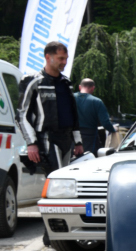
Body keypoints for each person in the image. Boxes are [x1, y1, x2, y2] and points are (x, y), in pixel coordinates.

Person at [18, 41, 83, 172]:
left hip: (67, 139)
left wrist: (78, 142)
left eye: (66, 59)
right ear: (48, 57)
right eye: (61, 58)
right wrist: (31, 143)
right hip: (47, 138)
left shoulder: (66, 82)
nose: (64, 62)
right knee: (57, 177)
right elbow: (21, 115)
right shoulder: (33, 81)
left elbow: (73, 114)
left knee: (65, 179)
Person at [74, 78, 116, 156]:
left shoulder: (70, 98)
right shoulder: (96, 102)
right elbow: (105, 122)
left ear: (80, 87)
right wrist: (113, 130)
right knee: (88, 158)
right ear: (93, 88)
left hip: (72, 136)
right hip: (90, 136)